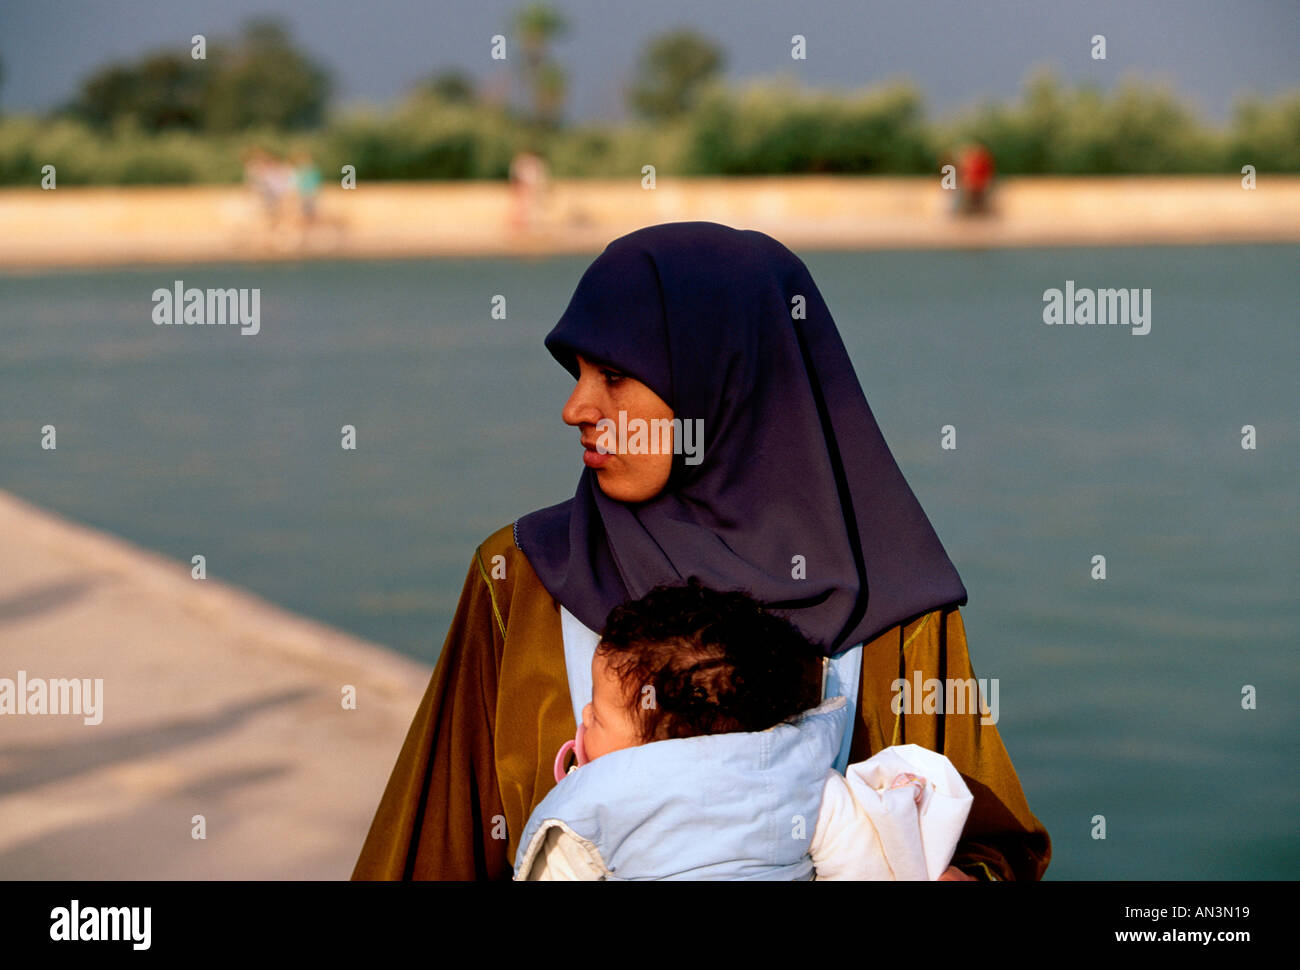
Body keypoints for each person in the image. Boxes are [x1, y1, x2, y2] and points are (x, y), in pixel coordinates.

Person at [351, 221, 1050, 881]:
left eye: (615, 377)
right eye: (578, 373)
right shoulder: (521, 578)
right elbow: (429, 846)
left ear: (728, 380)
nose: (576, 407)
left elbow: (996, 841)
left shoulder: (895, 604)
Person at [515, 580, 974, 881]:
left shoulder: (589, 803)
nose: (583, 720)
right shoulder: (799, 776)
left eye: (596, 715)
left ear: (659, 743)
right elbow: (863, 869)